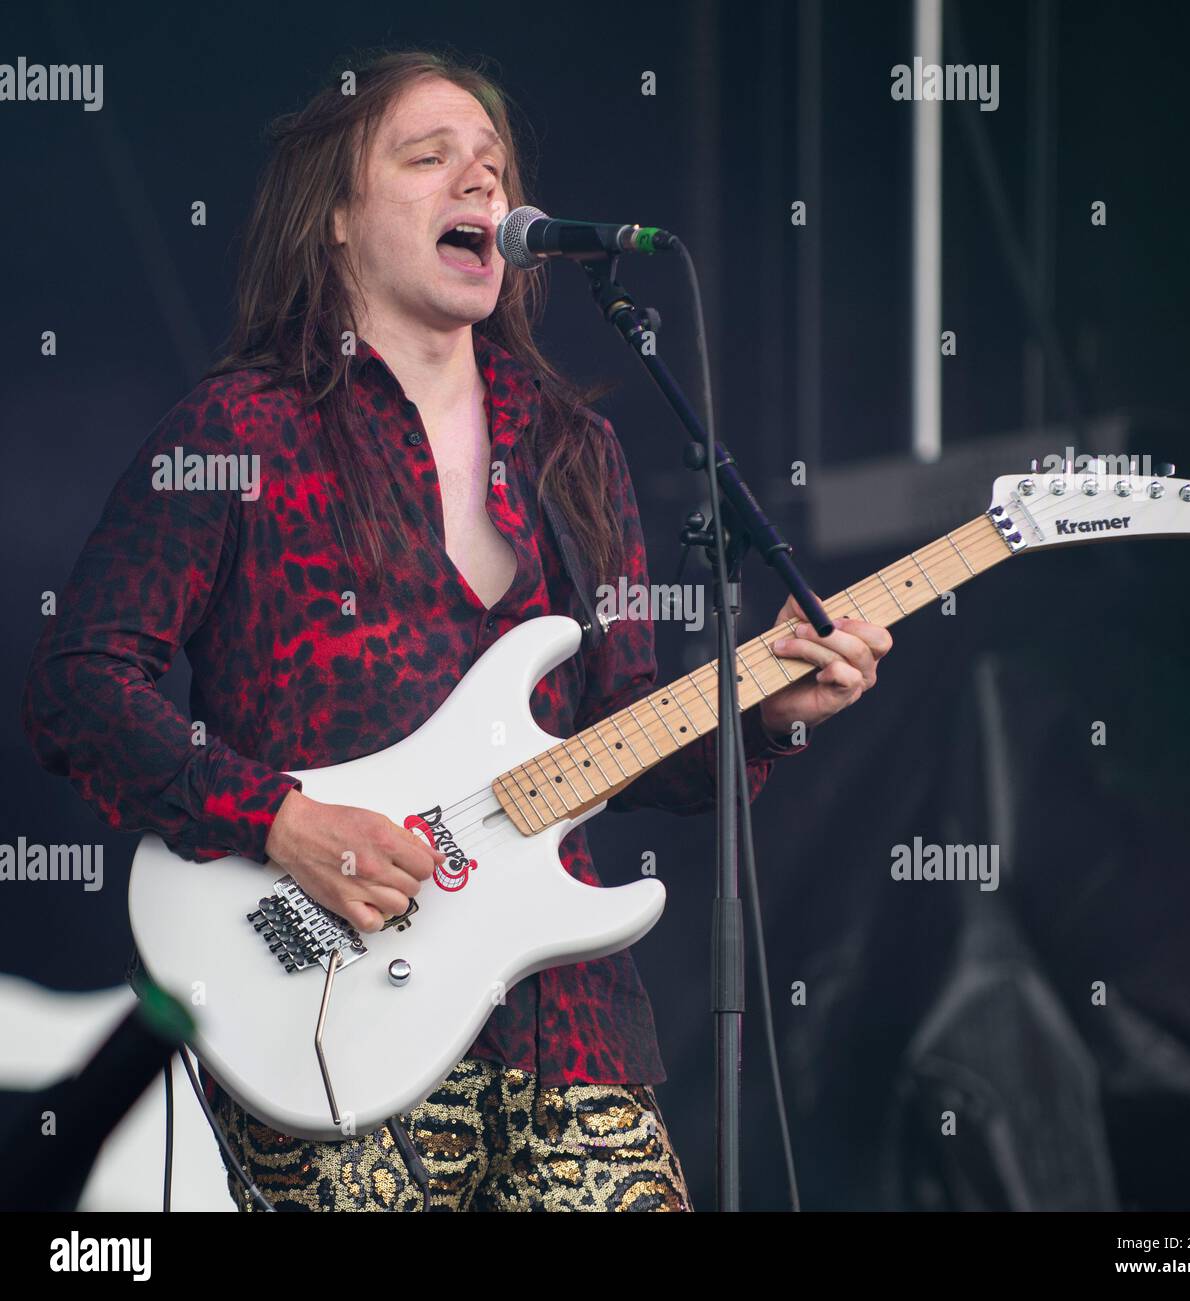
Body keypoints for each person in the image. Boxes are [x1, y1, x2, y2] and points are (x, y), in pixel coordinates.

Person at [21, 49, 892, 1212]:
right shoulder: (244, 429)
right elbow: (79, 684)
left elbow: (620, 733)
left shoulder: (573, 447)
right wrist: (278, 818)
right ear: (334, 218)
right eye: (428, 163)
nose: (478, 188)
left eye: (491, 168)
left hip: (567, 1026)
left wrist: (772, 710)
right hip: (324, 1009)